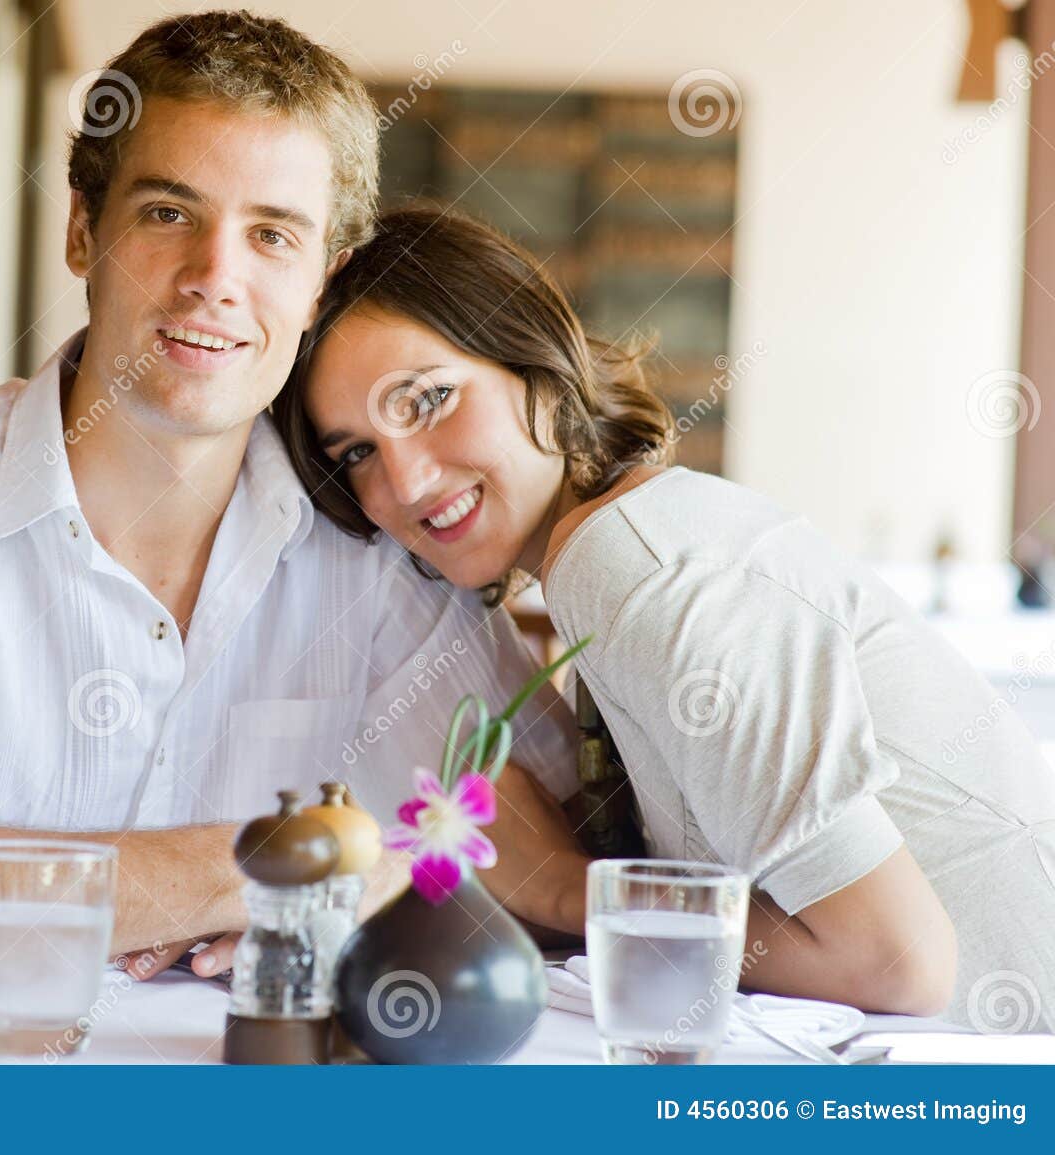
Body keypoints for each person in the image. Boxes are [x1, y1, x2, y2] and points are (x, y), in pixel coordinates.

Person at [0, 16, 577, 982]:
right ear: (81, 229)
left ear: (323, 283)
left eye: (272, 235)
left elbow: (545, 868)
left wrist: (390, 878)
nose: (213, 280)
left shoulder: (376, 539)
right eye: (166, 213)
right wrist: (238, 866)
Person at [276, 203, 1055, 1027]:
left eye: (428, 399)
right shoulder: (621, 547)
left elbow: (898, 964)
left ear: (537, 364)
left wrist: (555, 882)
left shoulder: (638, 568)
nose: (402, 480)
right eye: (356, 452)